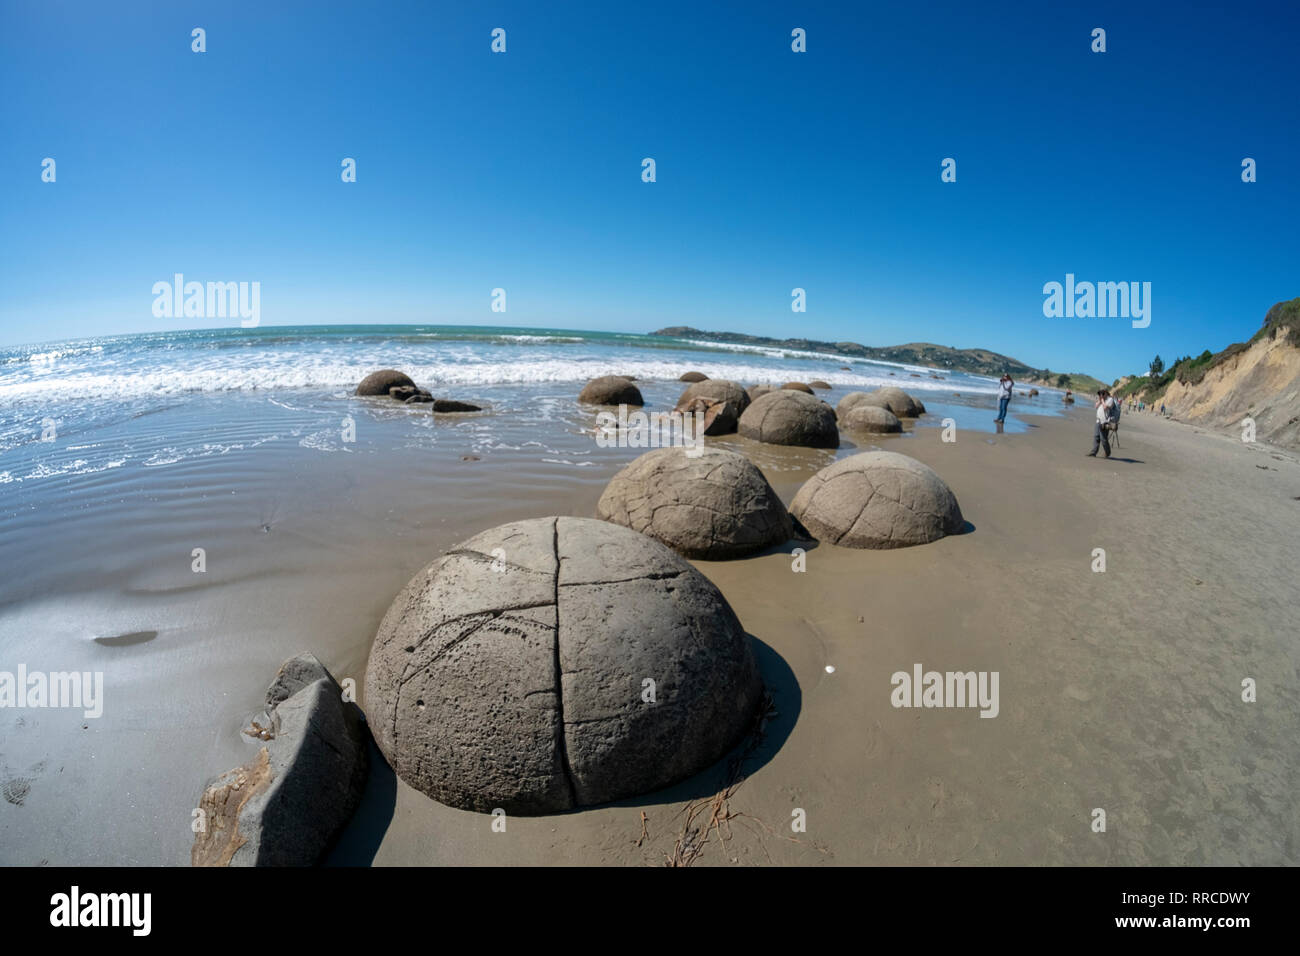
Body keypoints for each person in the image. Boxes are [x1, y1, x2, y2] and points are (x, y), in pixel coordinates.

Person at [1087, 389, 1117, 458]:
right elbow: (1096, 406)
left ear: (1107, 393)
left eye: (1103, 393)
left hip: (1105, 422)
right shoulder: (1101, 400)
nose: (1101, 395)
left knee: (1103, 439)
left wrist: (1103, 400)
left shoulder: (1110, 400)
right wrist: (1100, 400)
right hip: (1098, 421)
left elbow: (1105, 407)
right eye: (1100, 394)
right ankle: (1093, 452)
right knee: (1096, 437)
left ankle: (1107, 452)